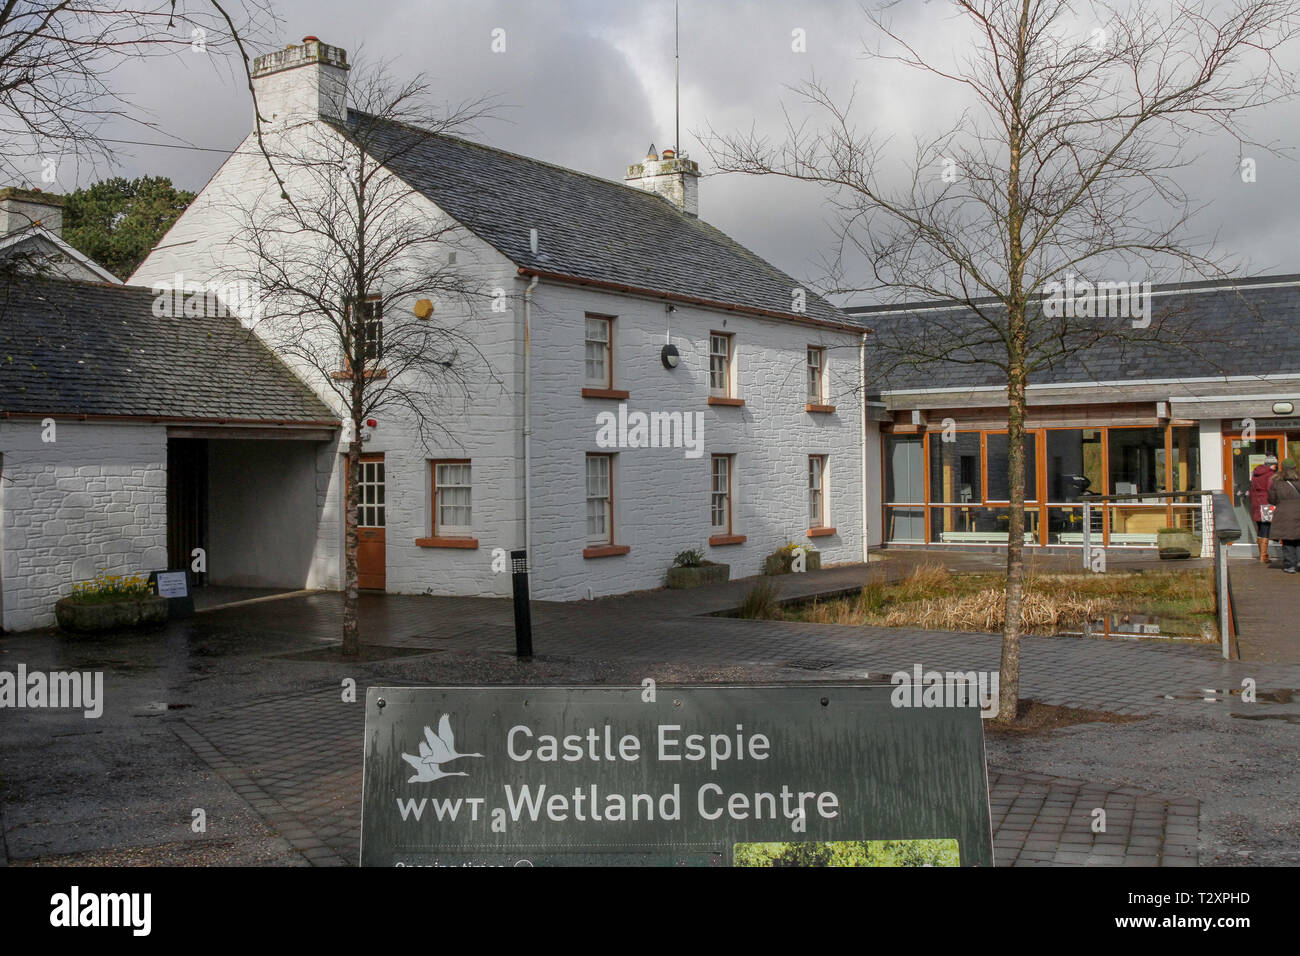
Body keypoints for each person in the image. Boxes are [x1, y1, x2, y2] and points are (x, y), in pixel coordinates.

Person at [1266, 458, 1300, 573]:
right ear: (1295, 468)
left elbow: (1271, 499)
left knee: (1288, 540)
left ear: (1282, 469)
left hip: (1284, 514)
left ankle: (1290, 565)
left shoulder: (1277, 483)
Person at [1250, 454, 1279, 564]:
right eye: (1275, 464)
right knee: (1266, 528)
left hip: (1256, 503)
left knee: (1260, 528)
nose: (1276, 467)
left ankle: (1261, 553)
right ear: (1272, 465)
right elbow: (1271, 490)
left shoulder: (1255, 473)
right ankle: (1263, 556)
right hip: (1266, 503)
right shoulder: (1270, 475)